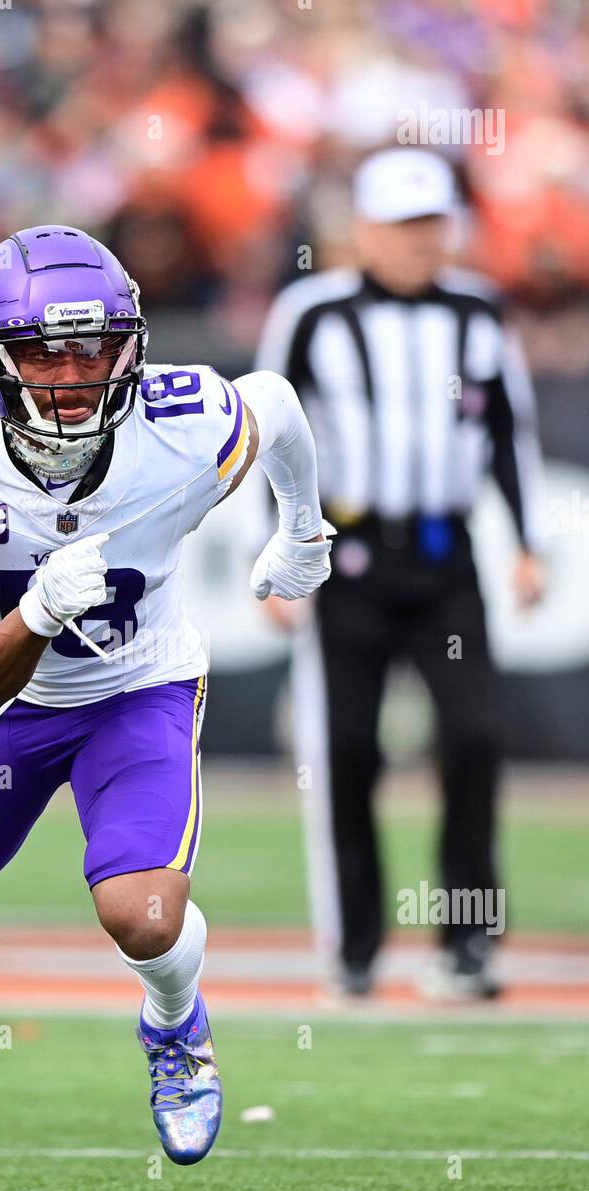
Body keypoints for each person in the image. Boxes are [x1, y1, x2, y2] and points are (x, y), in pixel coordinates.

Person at [0, 224, 332, 1191]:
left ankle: (175, 1026)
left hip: (136, 686)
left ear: (130, 344)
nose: (71, 373)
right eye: (43, 351)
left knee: (141, 916)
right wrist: (37, 612)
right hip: (3, 713)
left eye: (92, 346)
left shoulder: (183, 424)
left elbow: (273, 405)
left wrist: (303, 531)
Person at [253, 149, 545, 1001]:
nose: (423, 242)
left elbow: (508, 432)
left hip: (446, 557)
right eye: (405, 225)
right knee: (344, 747)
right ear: (366, 230)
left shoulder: (479, 309)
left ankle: (467, 942)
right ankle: (354, 945)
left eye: (434, 223)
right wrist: (279, 555)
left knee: (477, 737)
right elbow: (266, 432)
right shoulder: (313, 310)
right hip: (348, 557)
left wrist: (527, 541)